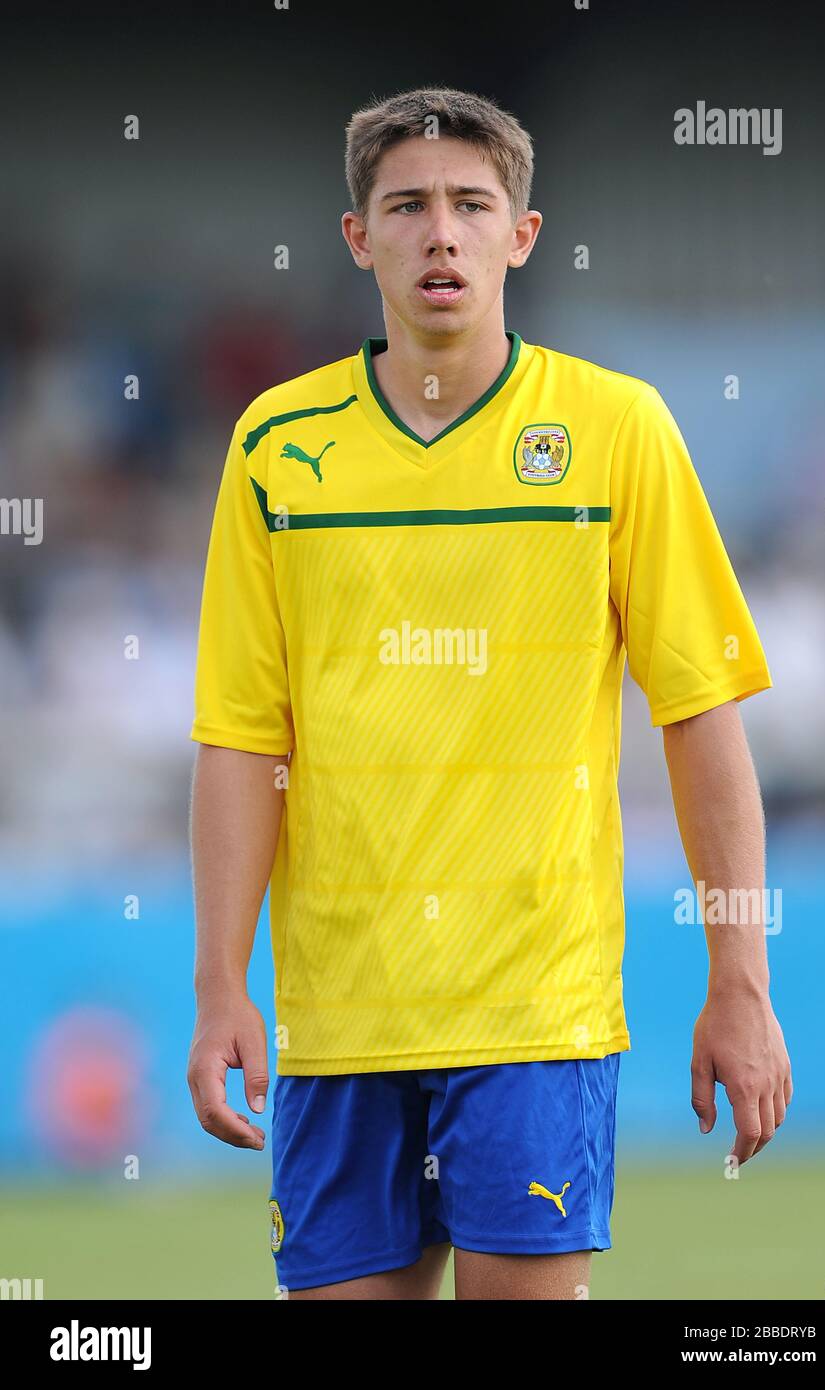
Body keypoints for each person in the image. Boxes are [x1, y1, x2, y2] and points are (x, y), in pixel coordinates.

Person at [186, 87, 792, 1302]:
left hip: (536, 1006)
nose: (439, 234)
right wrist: (217, 987)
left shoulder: (617, 429)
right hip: (339, 1016)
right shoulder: (274, 444)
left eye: (471, 205)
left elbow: (699, 718)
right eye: (405, 207)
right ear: (359, 239)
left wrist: (740, 982)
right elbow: (245, 740)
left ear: (522, 234)